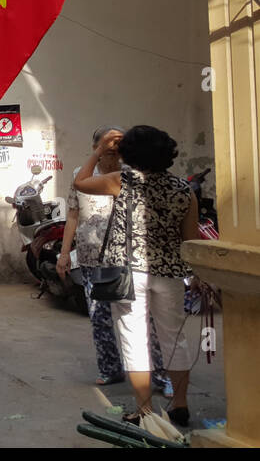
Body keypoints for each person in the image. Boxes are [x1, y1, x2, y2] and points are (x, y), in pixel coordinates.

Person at [74, 125, 200, 426]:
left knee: (135, 340)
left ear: (127, 154)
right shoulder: (184, 191)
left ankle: (143, 411)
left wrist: (98, 150)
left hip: (129, 274)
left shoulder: (121, 181)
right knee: (175, 339)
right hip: (170, 275)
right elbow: (189, 240)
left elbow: (80, 183)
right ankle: (179, 405)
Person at [57, 127, 172, 392]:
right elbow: (73, 214)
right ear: (95, 147)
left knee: (145, 318)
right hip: (92, 256)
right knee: (100, 317)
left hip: (130, 258)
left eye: (118, 146)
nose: (112, 150)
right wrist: (65, 253)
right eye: (106, 145)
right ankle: (110, 369)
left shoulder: (131, 174)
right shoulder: (81, 175)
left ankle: (160, 374)